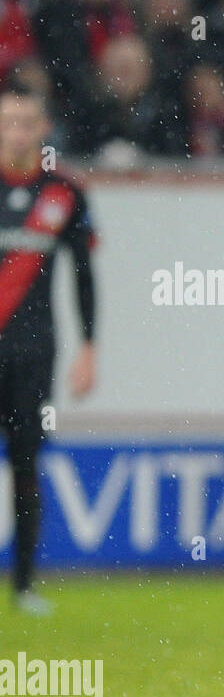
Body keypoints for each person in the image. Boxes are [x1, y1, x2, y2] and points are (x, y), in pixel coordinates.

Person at [0, 83, 98, 614]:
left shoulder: (65, 193)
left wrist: (89, 346)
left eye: (25, 122)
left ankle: (24, 586)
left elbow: (84, 275)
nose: (16, 132)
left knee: (24, 464)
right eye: (7, 121)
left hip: (34, 350)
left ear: (43, 130)